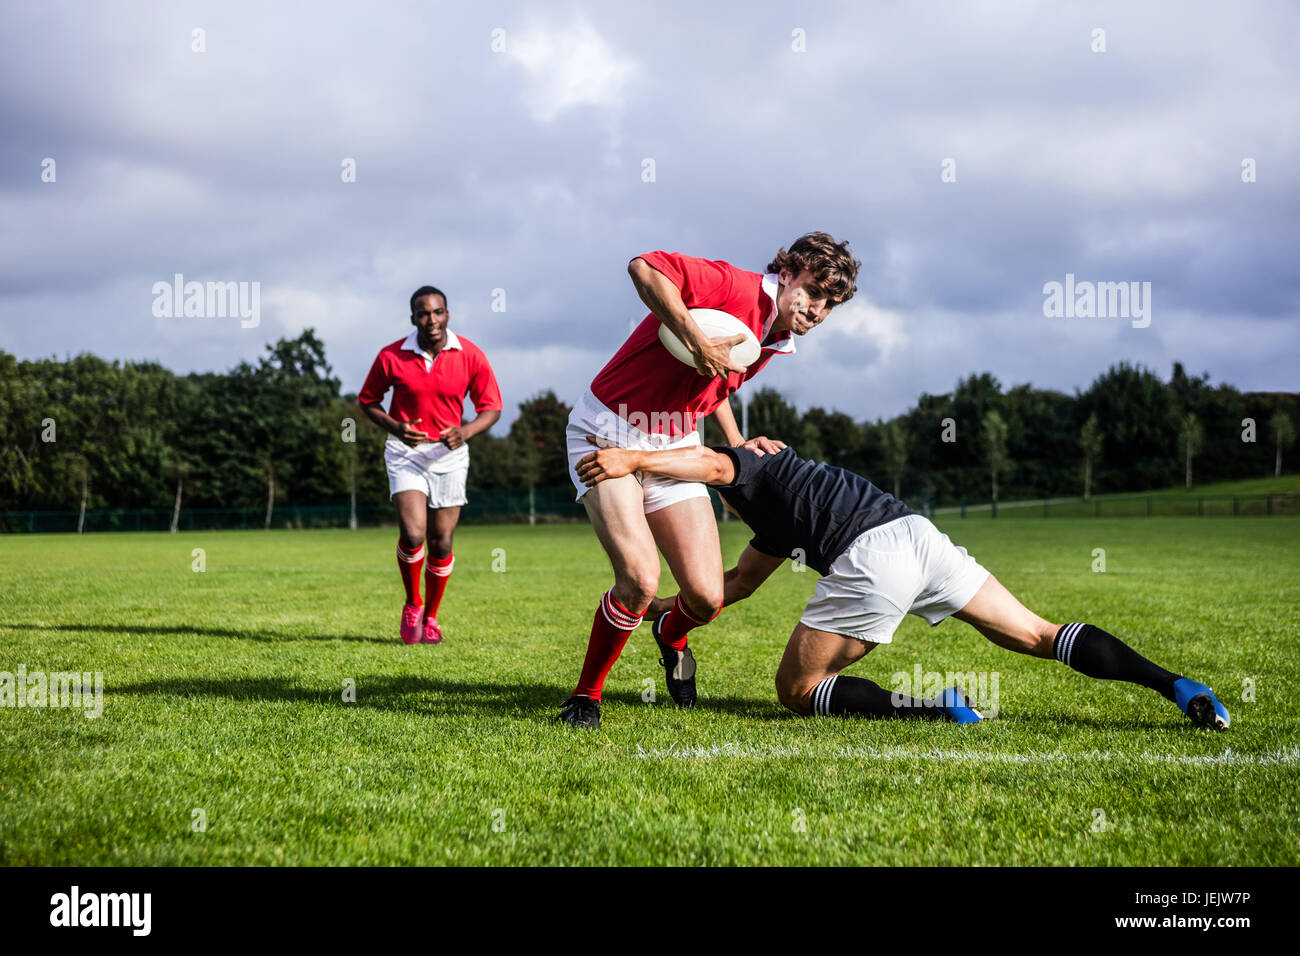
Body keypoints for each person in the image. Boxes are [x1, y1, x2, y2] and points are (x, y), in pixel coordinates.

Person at [575, 441, 1231, 730]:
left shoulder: (755, 470)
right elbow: (736, 585)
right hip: (921, 538)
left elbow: (714, 462)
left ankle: (933, 707)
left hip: (873, 557)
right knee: (1038, 633)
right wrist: (658, 611)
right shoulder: (782, 515)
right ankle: (1175, 686)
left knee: (796, 691)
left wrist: (634, 459)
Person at [556, 233, 861, 728]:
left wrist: (737, 440)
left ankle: (671, 636)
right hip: (608, 432)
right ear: (786, 274)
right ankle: (585, 696)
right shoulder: (732, 285)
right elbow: (643, 266)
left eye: (829, 304)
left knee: (705, 597)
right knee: (639, 580)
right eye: (812, 291)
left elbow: (714, 382)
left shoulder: (776, 336)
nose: (816, 309)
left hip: (676, 447)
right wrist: (695, 340)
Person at [358, 286, 503, 645]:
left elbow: (492, 407)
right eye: (423, 314)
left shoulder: (469, 354)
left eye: (438, 312)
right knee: (413, 534)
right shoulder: (391, 355)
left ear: (447, 315)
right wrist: (396, 427)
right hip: (405, 454)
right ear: (413, 319)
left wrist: (465, 431)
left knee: (441, 542)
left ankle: (433, 616)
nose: (431, 320)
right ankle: (413, 604)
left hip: (449, 456)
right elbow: (368, 401)